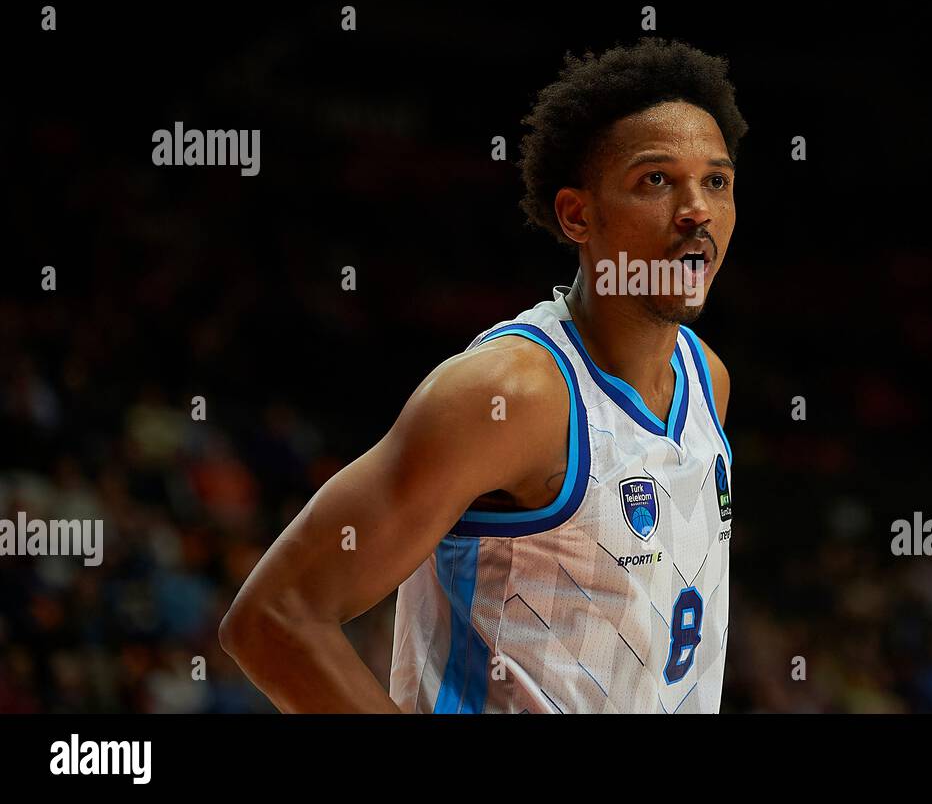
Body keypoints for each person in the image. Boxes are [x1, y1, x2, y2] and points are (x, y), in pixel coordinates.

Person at [220, 36, 747, 712]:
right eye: (656, 180)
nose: (697, 209)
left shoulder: (706, 380)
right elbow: (274, 618)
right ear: (577, 214)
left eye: (716, 181)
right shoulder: (508, 394)